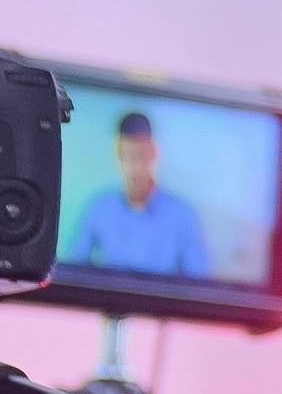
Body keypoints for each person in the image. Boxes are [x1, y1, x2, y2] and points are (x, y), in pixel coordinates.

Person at [64, 107, 211, 278]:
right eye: (125, 156)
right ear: (117, 155)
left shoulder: (183, 214)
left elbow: (199, 280)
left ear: (154, 153)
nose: (133, 168)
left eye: (140, 156)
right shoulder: (99, 207)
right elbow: (73, 271)